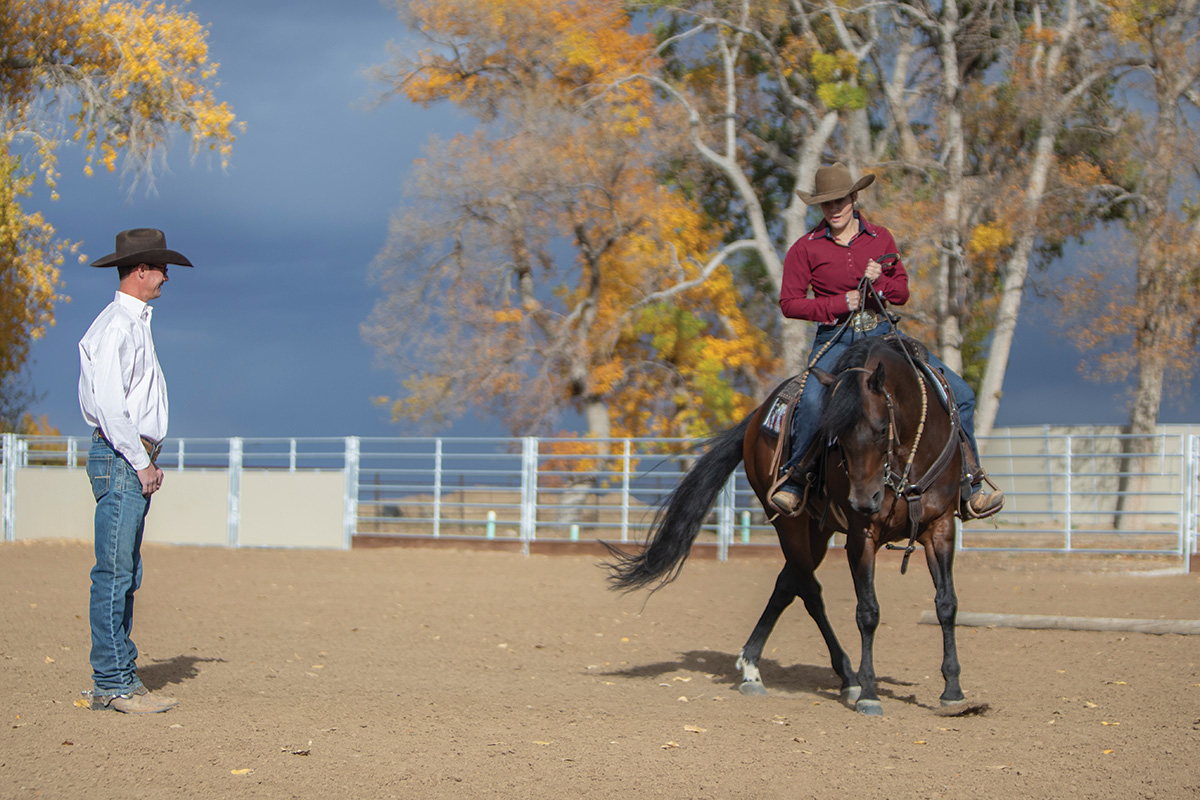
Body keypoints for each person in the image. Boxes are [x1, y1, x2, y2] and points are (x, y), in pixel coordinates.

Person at [770, 163, 1003, 519]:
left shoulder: (881, 238)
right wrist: (838, 303)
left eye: (840, 200)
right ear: (819, 207)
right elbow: (789, 303)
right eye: (826, 203)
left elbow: (902, 292)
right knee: (814, 401)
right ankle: (796, 480)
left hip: (882, 333)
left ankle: (970, 485)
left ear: (854, 197)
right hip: (836, 338)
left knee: (962, 394)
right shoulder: (805, 248)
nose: (834, 209)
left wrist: (878, 284)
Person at [78, 228, 193, 714]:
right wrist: (141, 459)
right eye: (160, 267)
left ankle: (119, 675)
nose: (166, 275)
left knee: (125, 571)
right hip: (122, 456)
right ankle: (113, 682)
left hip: (127, 456)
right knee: (115, 571)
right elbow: (109, 405)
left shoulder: (130, 324)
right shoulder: (118, 328)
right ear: (140, 270)